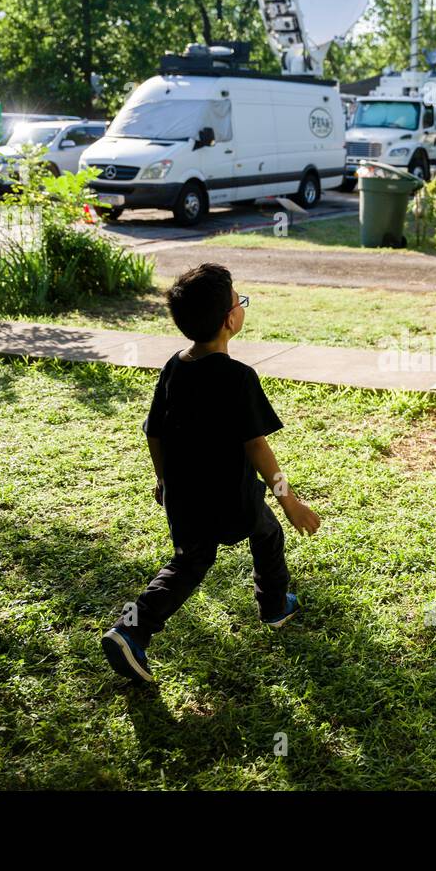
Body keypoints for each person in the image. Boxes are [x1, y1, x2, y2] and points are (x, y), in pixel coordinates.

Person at [102, 263, 320, 683]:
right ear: (230, 320)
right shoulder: (238, 378)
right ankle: (275, 606)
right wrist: (289, 500)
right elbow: (257, 447)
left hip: (183, 495)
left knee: (189, 562)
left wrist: (163, 480)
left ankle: (130, 629)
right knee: (269, 532)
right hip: (231, 496)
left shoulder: (174, 366)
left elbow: (154, 432)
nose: (241, 304)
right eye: (239, 299)